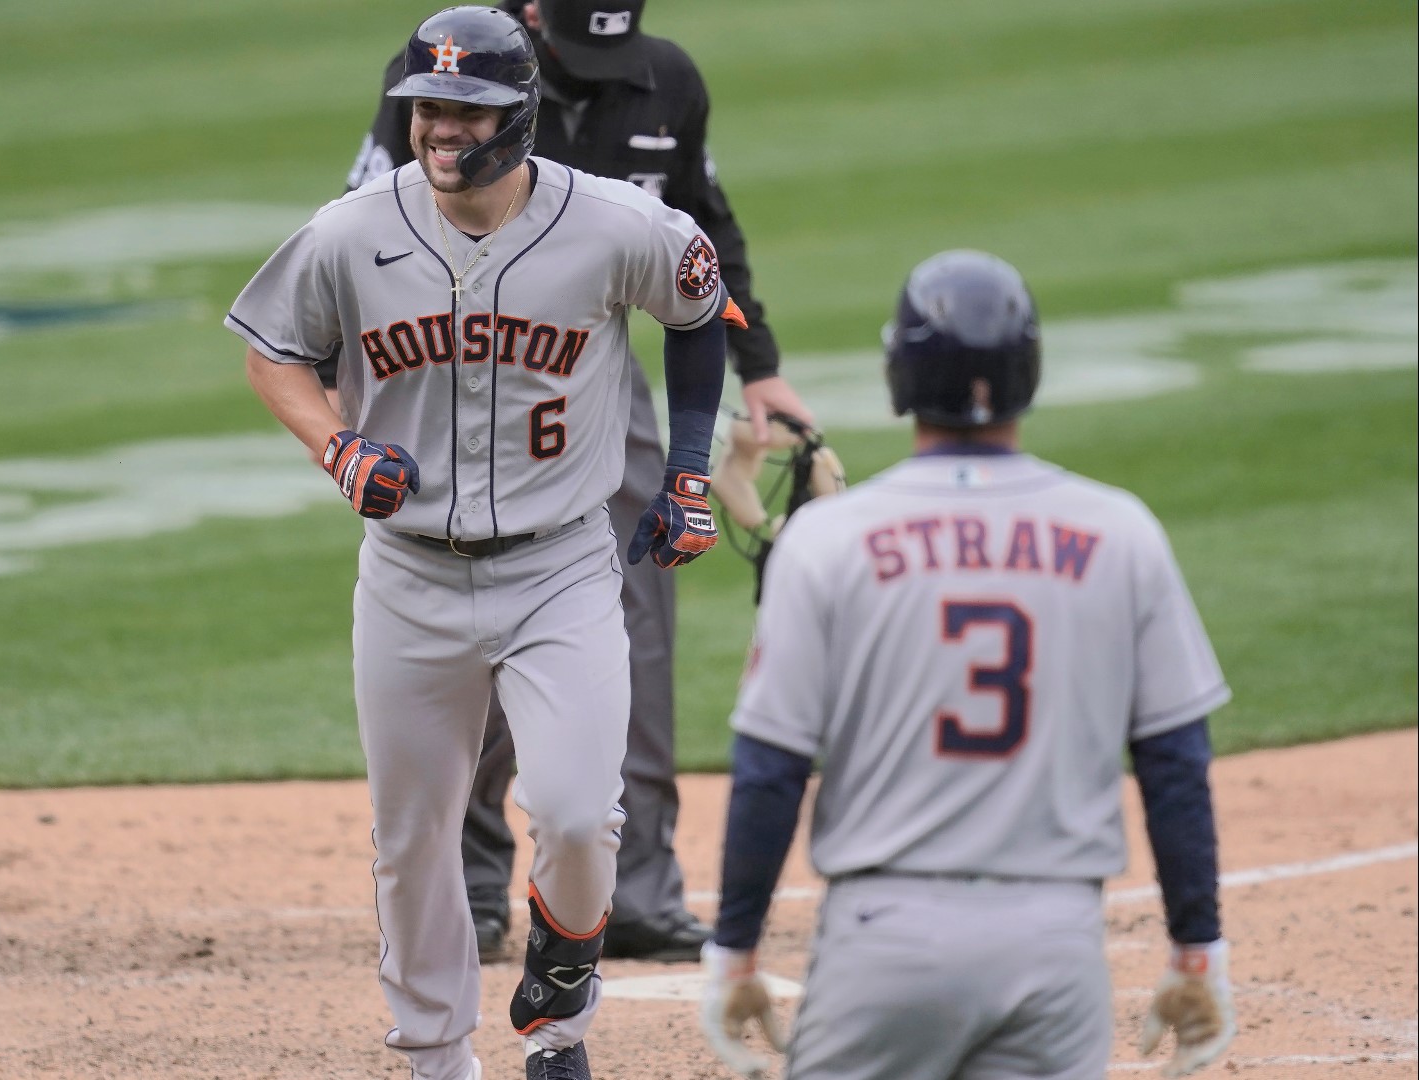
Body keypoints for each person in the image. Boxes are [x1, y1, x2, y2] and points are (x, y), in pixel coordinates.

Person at [231, 8, 739, 1077]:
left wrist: (689, 470)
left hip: (562, 566)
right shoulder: (351, 231)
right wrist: (337, 447)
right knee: (414, 835)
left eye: (468, 111)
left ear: (520, 118)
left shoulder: (612, 225)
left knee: (578, 815)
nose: (441, 129)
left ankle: (557, 1020)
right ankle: (435, 1055)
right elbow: (274, 351)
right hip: (409, 577)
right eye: (428, 108)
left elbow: (701, 309)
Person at [338, 0, 810, 964]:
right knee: (469, 598)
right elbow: (365, 223)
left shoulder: (666, 80)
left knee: (633, 614)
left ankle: (633, 889)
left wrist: (757, 366)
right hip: (458, 360)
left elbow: (704, 232)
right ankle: (474, 885)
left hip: (593, 365)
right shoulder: (454, 74)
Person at [695, 250, 1237, 1079]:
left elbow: (772, 768)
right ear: (1029, 371)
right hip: (1056, 940)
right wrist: (1198, 950)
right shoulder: (1120, 532)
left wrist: (734, 952)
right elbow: (1174, 761)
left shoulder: (827, 539)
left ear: (900, 377)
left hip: (885, 940)